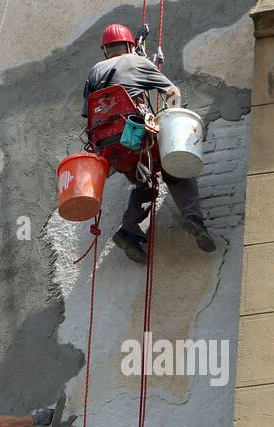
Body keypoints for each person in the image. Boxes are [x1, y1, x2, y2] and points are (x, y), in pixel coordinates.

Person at [81, 22, 216, 264]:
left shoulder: (94, 71)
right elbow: (172, 92)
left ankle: (128, 230)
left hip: (109, 146)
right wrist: (171, 118)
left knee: (143, 183)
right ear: (130, 45)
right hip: (137, 135)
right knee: (174, 171)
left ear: (105, 50)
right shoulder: (138, 63)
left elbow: (88, 112)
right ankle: (193, 218)